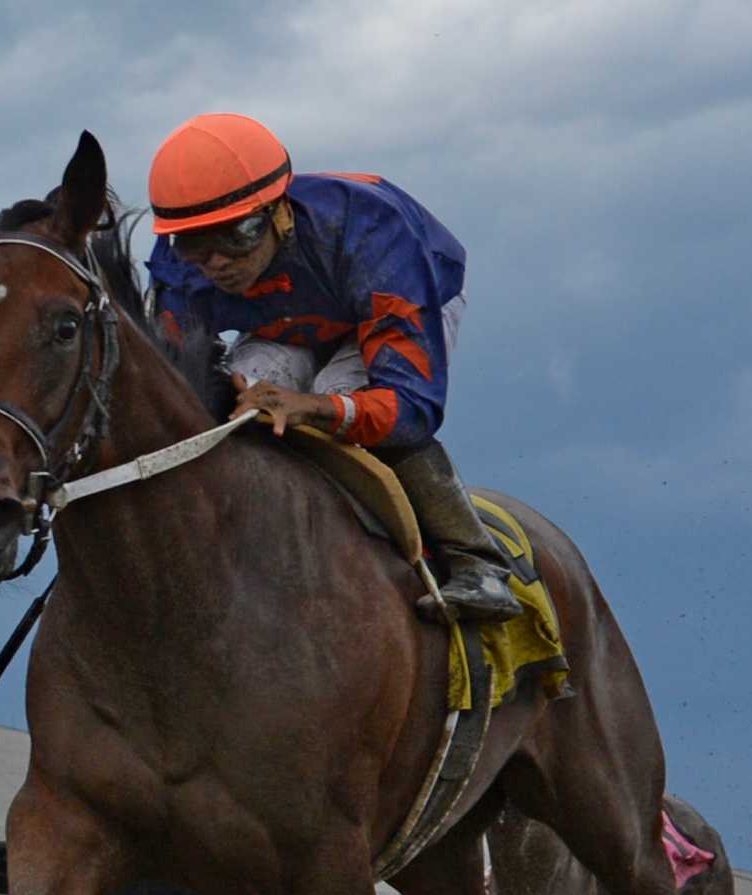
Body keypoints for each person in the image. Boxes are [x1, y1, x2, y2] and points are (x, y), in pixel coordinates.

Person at [145, 112, 521, 622]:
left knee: (338, 394)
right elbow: (173, 380)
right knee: (238, 405)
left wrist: (312, 406)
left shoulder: (375, 236)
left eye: (237, 235)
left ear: (280, 213)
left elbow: (410, 408)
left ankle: (476, 561)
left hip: (402, 295)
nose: (216, 263)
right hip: (287, 318)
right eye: (194, 243)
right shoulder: (177, 266)